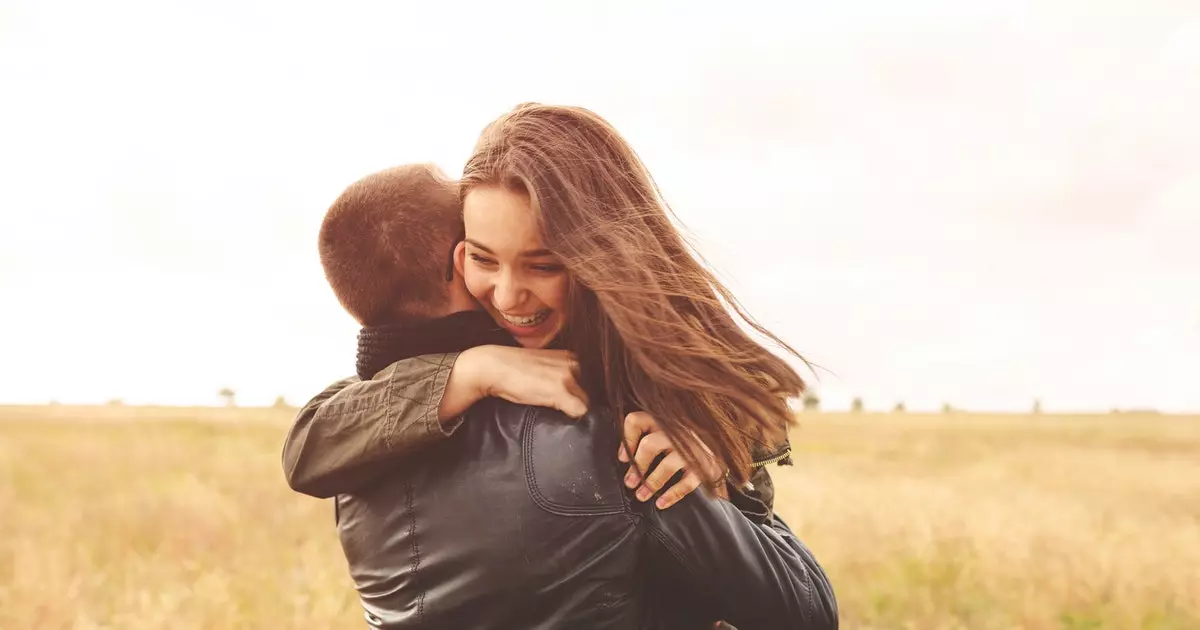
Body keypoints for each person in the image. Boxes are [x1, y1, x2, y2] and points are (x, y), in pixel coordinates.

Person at [284, 105, 836, 627]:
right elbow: (800, 609)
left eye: (542, 264)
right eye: (482, 258)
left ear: (605, 254)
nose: (507, 296)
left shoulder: (630, 399)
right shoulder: (595, 431)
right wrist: (474, 369)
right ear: (457, 260)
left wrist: (717, 453)